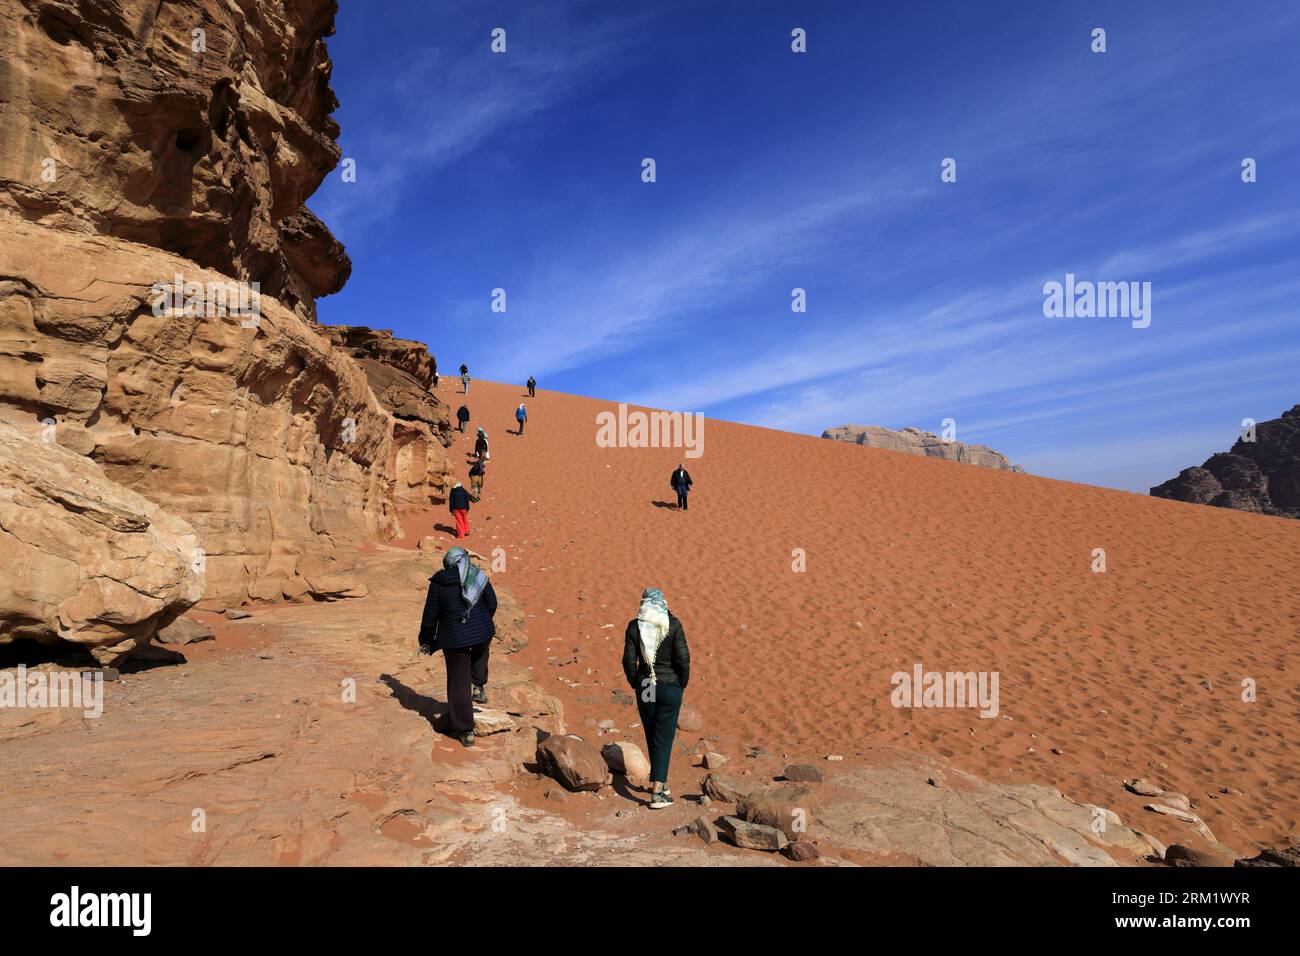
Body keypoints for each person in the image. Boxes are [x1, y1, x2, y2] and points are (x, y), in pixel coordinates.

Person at [418, 547, 498, 747]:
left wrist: (426, 640)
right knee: (480, 652)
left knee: (458, 682)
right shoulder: (477, 574)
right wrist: (482, 622)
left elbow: (430, 617)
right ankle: (479, 686)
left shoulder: (439, 583)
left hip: (454, 639)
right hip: (482, 632)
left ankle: (465, 730)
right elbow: (492, 603)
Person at [622, 588, 690, 808]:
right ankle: (657, 793)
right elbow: (683, 659)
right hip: (669, 687)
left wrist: (636, 682)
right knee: (663, 737)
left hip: (647, 686)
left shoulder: (635, 626)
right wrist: (681, 683)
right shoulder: (673, 625)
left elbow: (628, 660)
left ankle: (661, 780)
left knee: (653, 733)